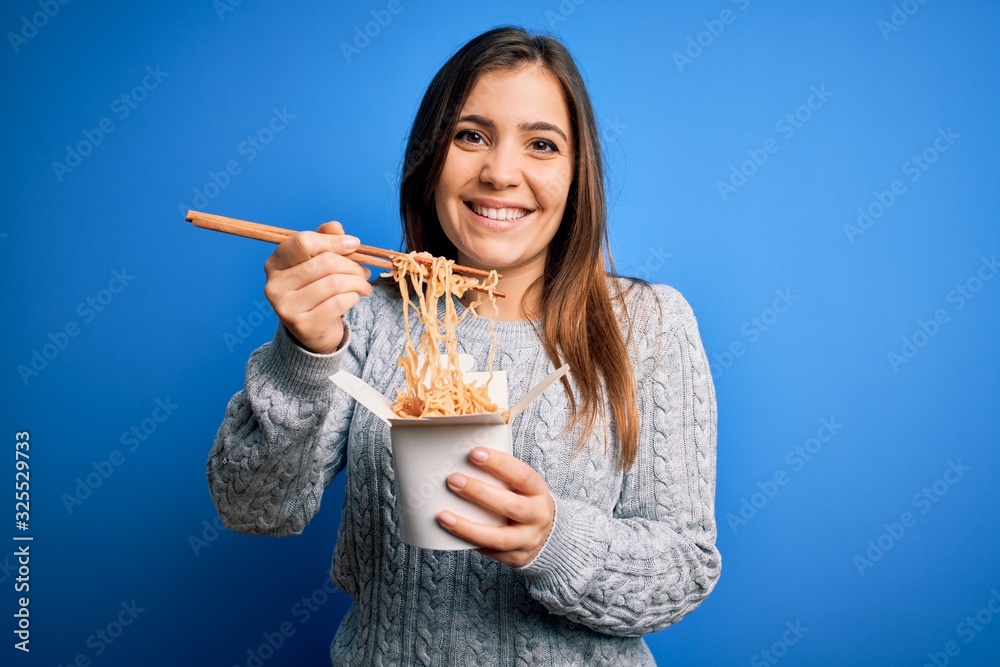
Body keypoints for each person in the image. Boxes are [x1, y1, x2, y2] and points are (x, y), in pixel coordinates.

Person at [207, 26, 720, 666]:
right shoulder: (368, 315)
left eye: (541, 144)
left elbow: (684, 570)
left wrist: (552, 540)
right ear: (431, 158)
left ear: (577, 172)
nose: (501, 173)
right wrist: (303, 357)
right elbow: (254, 507)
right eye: (470, 136)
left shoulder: (649, 325)